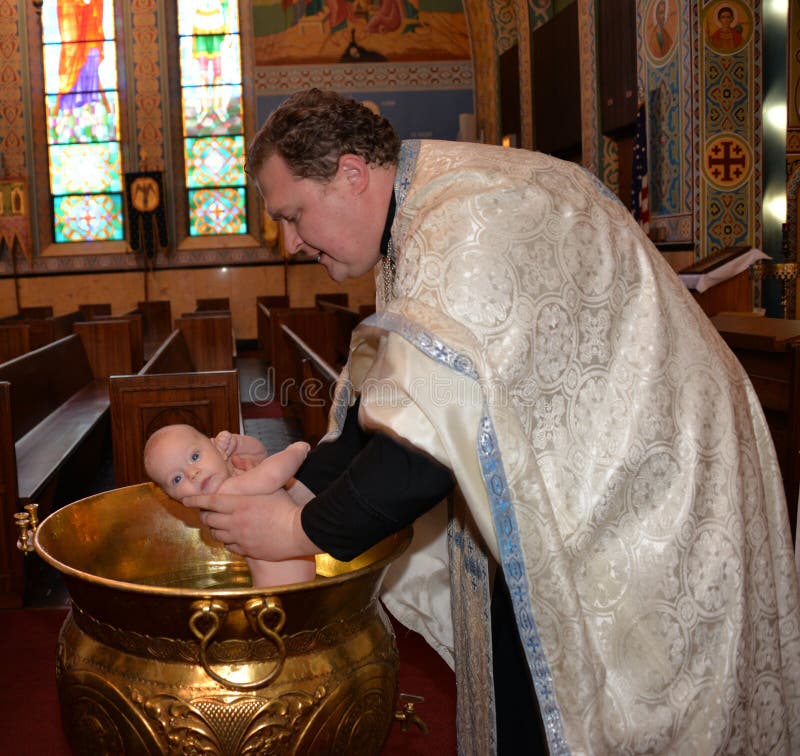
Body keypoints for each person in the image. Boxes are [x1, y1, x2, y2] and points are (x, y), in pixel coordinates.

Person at [183, 88, 800, 754]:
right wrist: (299, 487)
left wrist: (300, 528)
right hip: (576, 482)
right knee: (527, 672)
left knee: (617, 706)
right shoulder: (425, 210)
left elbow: (424, 451)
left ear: (351, 174)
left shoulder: (468, 224)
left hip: (658, 490)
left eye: (294, 214)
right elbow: (396, 407)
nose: (288, 241)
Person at [144, 423, 316, 587]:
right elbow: (274, 475)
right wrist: (296, 451)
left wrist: (235, 444)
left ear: (216, 447)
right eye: (177, 479)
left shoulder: (238, 482)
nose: (192, 473)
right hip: (277, 594)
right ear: (175, 499)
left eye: (195, 457)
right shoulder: (229, 491)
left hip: (280, 591)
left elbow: (258, 453)